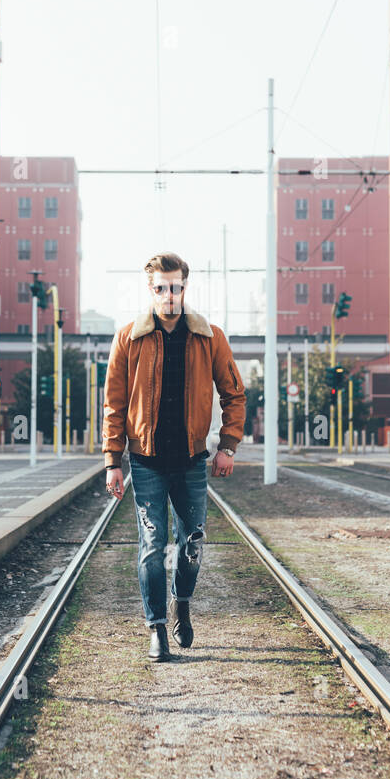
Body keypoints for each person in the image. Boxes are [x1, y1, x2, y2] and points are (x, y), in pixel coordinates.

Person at [102, 252, 246, 661]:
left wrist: (228, 446)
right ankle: (157, 629)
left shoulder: (210, 337)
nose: (170, 295)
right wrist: (113, 460)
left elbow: (233, 393)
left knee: (193, 544)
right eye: (162, 288)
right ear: (151, 290)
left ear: (185, 287)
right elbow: (113, 404)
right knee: (152, 543)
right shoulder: (128, 338)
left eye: (176, 287)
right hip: (146, 461)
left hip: (190, 461)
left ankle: (180, 602)